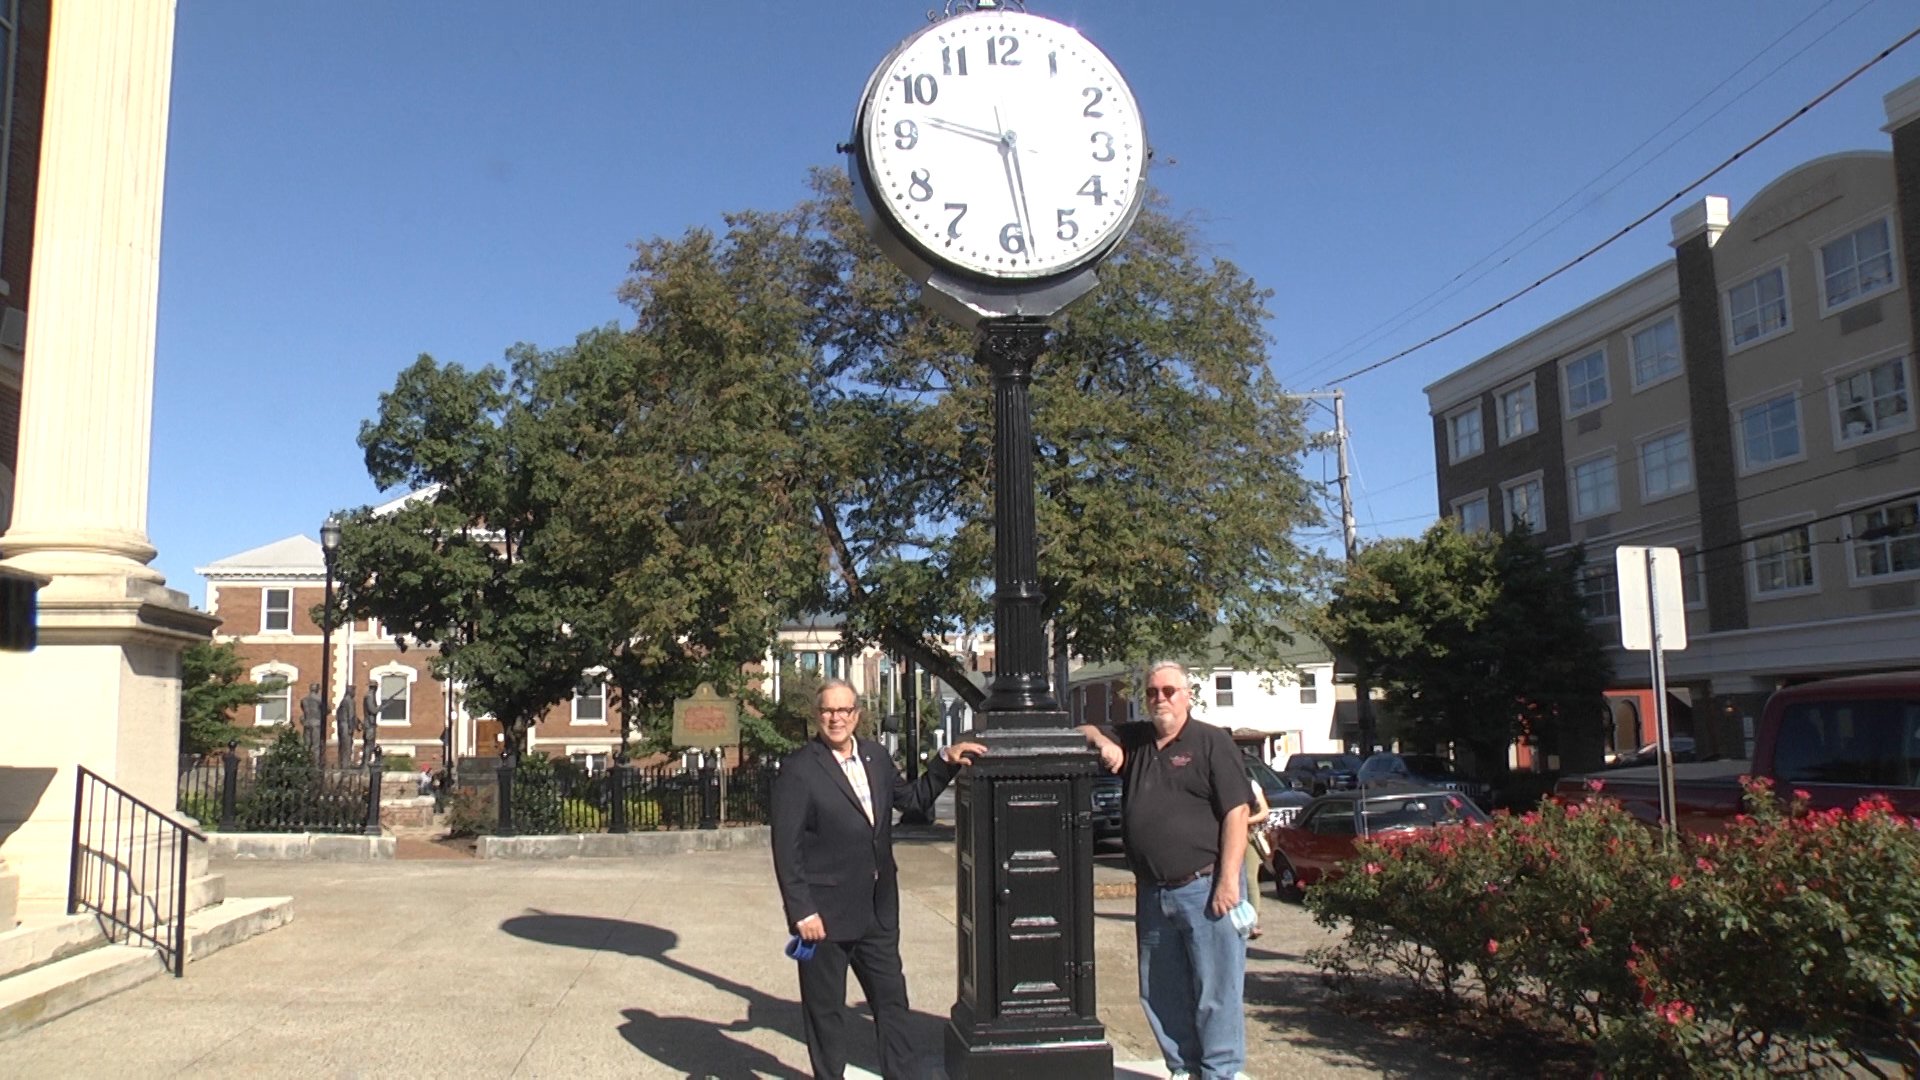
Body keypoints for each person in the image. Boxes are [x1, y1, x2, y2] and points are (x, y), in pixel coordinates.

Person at [770, 678, 987, 1080]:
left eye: (844, 710)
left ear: (857, 714)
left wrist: (947, 760)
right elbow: (787, 848)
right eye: (828, 711)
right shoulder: (800, 769)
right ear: (817, 715)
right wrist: (801, 912)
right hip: (824, 917)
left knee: (892, 1004)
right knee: (825, 1013)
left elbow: (913, 800)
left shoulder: (875, 757)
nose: (836, 718)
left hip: (877, 910)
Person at [1077, 661, 1253, 1080]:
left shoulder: (1211, 742)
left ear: (1187, 695)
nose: (1161, 698)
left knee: (1216, 989)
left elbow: (1237, 812)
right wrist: (1103, 742)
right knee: (1160, 990)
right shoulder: (1137, 739)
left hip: (1207, 887)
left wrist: (1229, 881)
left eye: (1169, 690)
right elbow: (1081, 728)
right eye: (1153, 692)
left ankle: (1220, 1071)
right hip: (1154, 892)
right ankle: (1183, 1068)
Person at [299, 684, 327, 758]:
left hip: (307, 723)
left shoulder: (304, 699)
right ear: (317, 689)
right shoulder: (319, 699)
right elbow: (327, 709)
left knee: (306, 745)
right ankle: (316, 763)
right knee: (316, 746)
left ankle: (305, 761)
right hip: (316, 723)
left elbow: (303, 708)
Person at [333, 693, 356, 767]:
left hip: (341, 726)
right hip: (346, 726)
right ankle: (346, 765)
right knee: (347, 747)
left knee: (342, 747)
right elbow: (351, 716)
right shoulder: (350, 701)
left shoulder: (342, 701)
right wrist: (351, 727)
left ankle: (342, 763)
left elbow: (337, 715)